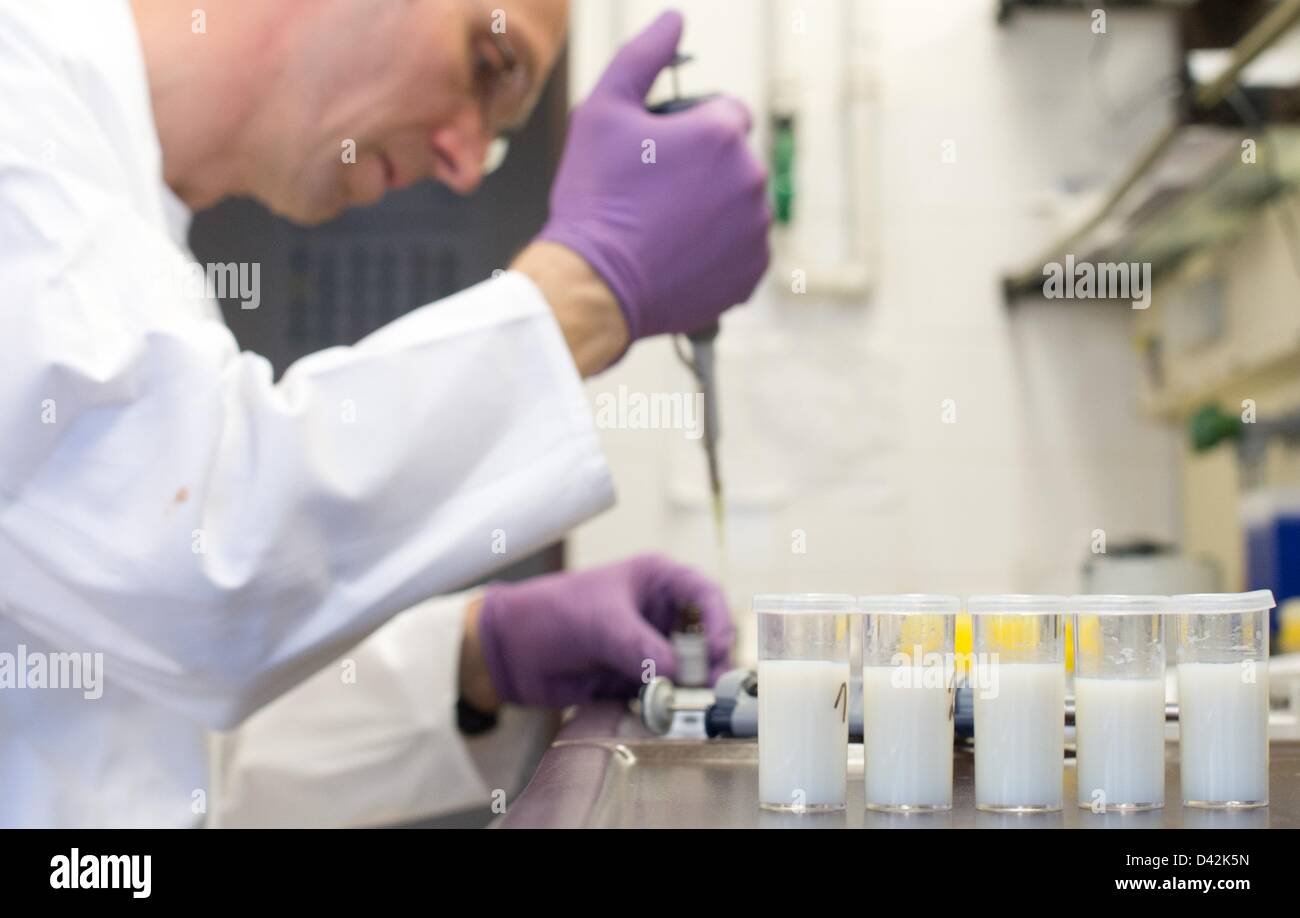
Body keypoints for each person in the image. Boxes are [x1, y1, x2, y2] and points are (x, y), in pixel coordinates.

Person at [0, 0, 771, 827]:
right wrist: (583, 293)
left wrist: (480, 657)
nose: (468, 163)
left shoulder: (130, 225)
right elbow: (188, 567)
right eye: (487, 64)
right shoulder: (19, 111)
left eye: (501, 124)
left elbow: (159, 736)